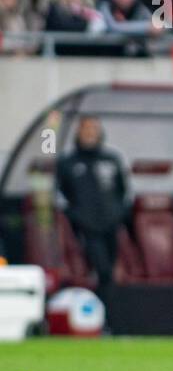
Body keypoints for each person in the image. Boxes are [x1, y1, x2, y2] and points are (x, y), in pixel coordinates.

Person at [55, 116, 128, 293]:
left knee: (110, 268)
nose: (90, 133)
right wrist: (76, 216)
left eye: (93, 129)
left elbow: (122, 189)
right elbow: (61, 192)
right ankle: (102, 307)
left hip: (110, 223)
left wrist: (117, 213)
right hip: (85, 226)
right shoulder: (68, 163)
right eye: (86, 129)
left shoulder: (111, 159)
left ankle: (111, 308)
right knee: (99, 267)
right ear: (78, 133)